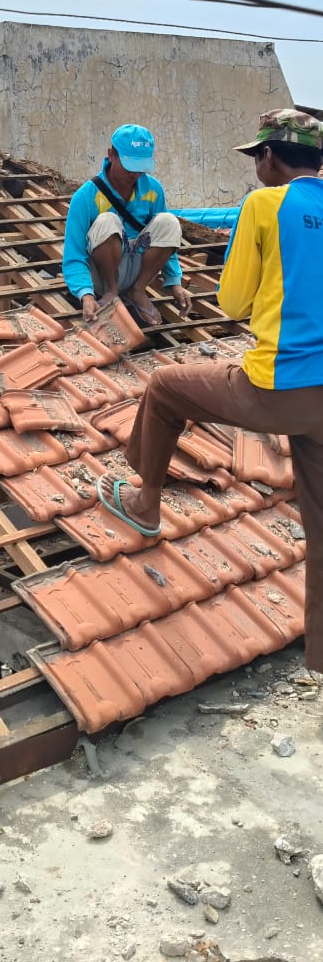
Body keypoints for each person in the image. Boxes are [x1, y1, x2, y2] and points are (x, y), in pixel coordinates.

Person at [97, 107, 323, 674]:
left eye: (258, 158)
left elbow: (233, 302)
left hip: (281, 386)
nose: (257, 169)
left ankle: (145, 503)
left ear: (269, 157)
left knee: (167, 385)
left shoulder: (265, 206)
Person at [62, 124, 191, 325]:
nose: (135, 174)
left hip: (135, 266)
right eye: (129, 166)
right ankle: (111, 290)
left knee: (169, 222)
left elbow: (165, 240)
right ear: (111, 155)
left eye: (140, 168)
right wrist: (85, 294)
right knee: (107, 221)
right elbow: (73, 254)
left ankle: (137, 290)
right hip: (100, 274)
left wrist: (175, 282)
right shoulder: (85, 196)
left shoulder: (153, 190)